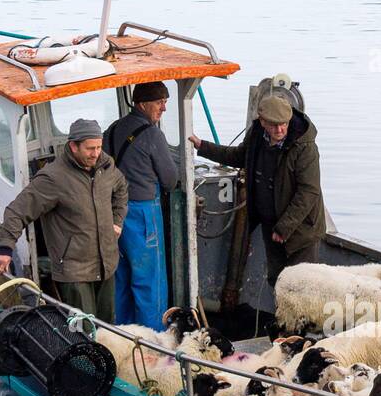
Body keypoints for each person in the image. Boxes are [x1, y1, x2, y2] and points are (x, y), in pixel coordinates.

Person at [0, 118, 128, 321]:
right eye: (90, 149)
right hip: (74, 271)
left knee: (107, 328)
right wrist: (4, 248)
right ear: (73, 146)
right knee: (83, 330)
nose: (96, 153)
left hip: (106, 265)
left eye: (99, 147)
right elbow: (17, 211)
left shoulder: (105, 166)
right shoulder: (53, 178)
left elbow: (121, 188)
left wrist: (117, 221)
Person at [189, 94, 325, 285]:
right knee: (277, 280)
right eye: (274, 125)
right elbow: (239, 156)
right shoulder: (257, 136)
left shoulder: (305, 148)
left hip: (301, 230)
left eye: (283, 124)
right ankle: (280, 315)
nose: (280, 129)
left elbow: (309, 192)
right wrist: (203, 147)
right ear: (262, 122)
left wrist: (284, 228)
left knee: (301, 285)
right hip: (271, 223)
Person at [105, 81, 179, 329]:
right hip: (143, 213)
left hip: (115, 213)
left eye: (165, 102)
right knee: (150, 282)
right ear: (143, 104)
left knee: (122, 278)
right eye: (160, 103)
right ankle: (154, 340)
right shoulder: (153, 134)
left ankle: (123, 333)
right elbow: (170, 180)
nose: (164, 108)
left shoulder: (114, 129)